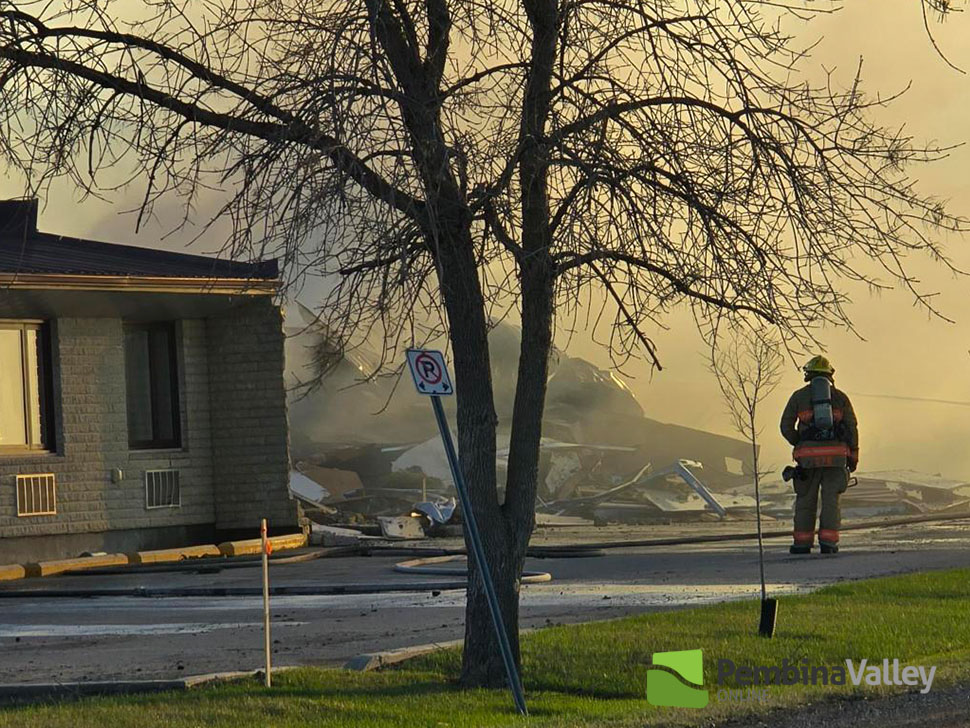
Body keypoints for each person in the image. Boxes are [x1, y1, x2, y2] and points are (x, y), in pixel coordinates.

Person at [779, 355, 859, 555]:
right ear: (829, 375)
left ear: (809, 375)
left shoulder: (798, 397)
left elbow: (785, 426)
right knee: (831, 501)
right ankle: (829, 544)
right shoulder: (840, 398)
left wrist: (800, 442)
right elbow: (851, 427)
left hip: (808, 460)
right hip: (836, 459)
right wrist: (853, 456)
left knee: (806, 501)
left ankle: (802, 544)